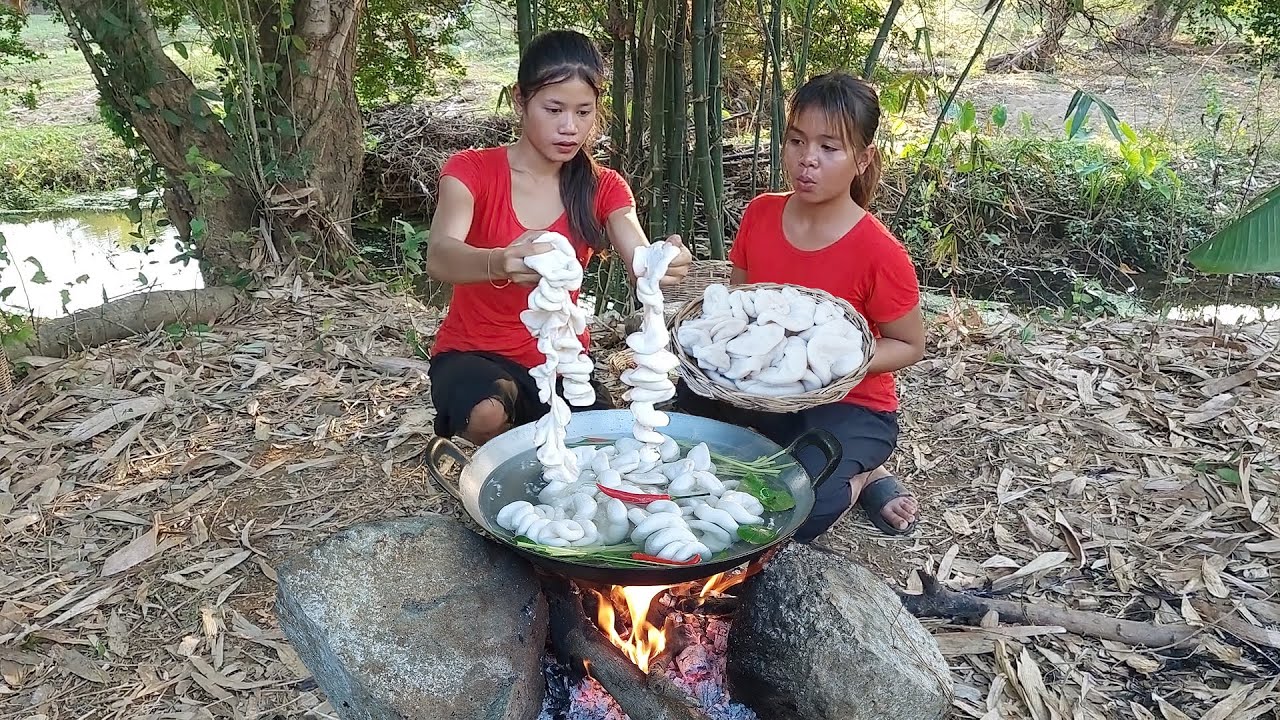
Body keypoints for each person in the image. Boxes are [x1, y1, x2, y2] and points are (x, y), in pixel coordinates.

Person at [676, 71, 924, 540]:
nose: (807, 160)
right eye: (796, 141)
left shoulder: (879, 252)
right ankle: (840, 467)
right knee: (680, 462)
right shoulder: (761, 214)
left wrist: (827, 358)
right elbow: (738, 308)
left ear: (862, 158)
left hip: (850, 404)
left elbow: (909, 344)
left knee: (792, 507)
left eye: (829, 148)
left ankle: (863, 476)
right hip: (760, 392)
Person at [424, 29, 692, 446]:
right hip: (473, 352)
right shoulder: (472, 170)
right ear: (520, 99)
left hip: (562, 358)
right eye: (554, 109)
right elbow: (440, 256)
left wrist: (660, 262)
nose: (569, 128)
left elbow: (637, 252)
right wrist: (501, 262)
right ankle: (505, 450)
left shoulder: (604, 187)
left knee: (603, 448)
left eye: (583, 112)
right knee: (487, 411)